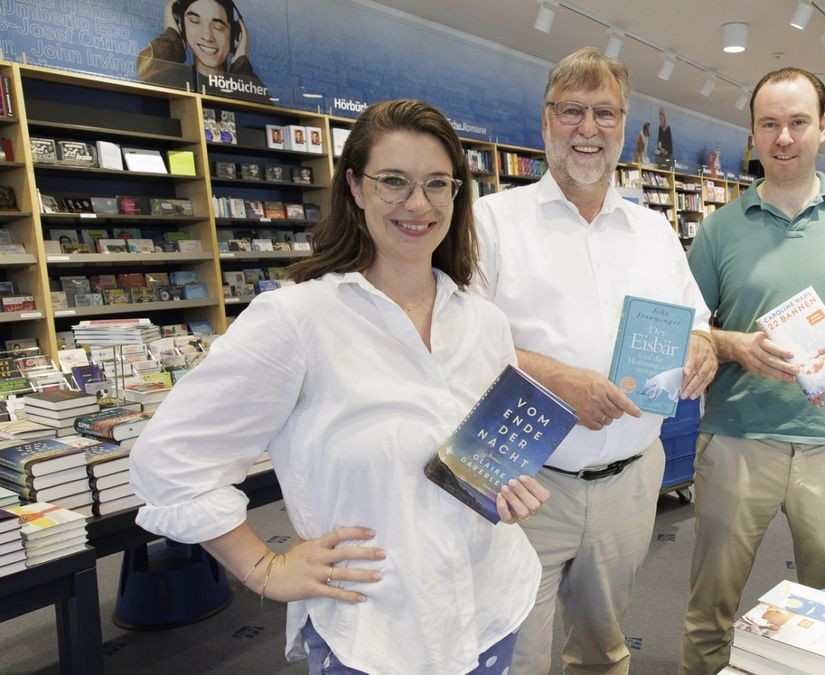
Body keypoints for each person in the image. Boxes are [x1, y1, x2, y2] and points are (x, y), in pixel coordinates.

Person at [129, 99, 550, 674]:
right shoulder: (298, 320)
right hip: (375, 632)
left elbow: (474, 462)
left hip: (490, 611)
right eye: (393, 182)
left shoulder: (483, 322)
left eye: (437, 185)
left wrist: (506, 486)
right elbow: (170, 460)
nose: (418, 204)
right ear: (354, 186)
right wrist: (264, 569)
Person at [472, 47, 717, 674]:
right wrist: (554, 379)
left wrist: (700, 348)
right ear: (546, 121)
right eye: (572, 111)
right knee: (511, 654)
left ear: (624, 125)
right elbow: (453, 344)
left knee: (604, 651)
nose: (588, 129)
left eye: (605, 113)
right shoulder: (489, 222)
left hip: (632, 483)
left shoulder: (655, 231)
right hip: (523, 479)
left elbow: (697, 324)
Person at [679, 67, 825, 674]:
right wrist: (734, 344)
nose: (784, 137)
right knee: (711, 609)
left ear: (823, 127)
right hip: (736, 440)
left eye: (798, 122)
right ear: (752, 133)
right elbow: (690, 328)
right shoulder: (719, 228)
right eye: (770, 124)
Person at [138, 0, 266, 90]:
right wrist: (173, 40)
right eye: (195, 21)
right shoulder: (175, 79)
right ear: (181, 27)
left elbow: (262, 109)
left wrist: (241, 64)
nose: (208, 36)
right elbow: (147, 76)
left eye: (218, 26)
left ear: (235, 35)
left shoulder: (242, 85)